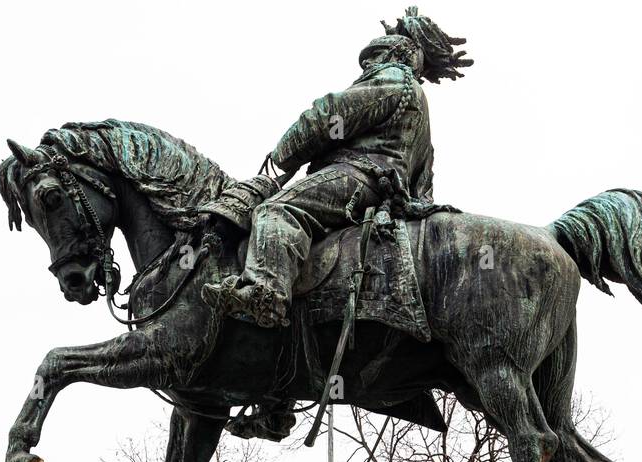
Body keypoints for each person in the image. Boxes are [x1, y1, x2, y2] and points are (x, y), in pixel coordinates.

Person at [202, 7, 472, 331]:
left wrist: (285, 153)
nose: (368, 67)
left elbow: (333, 116)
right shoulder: (420, 108)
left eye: (373, 59)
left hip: (358, 178)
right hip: (387, 195)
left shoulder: (394, 77)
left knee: (277, 211)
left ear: (396, 52)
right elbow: (423, 181)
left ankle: (266, 290)